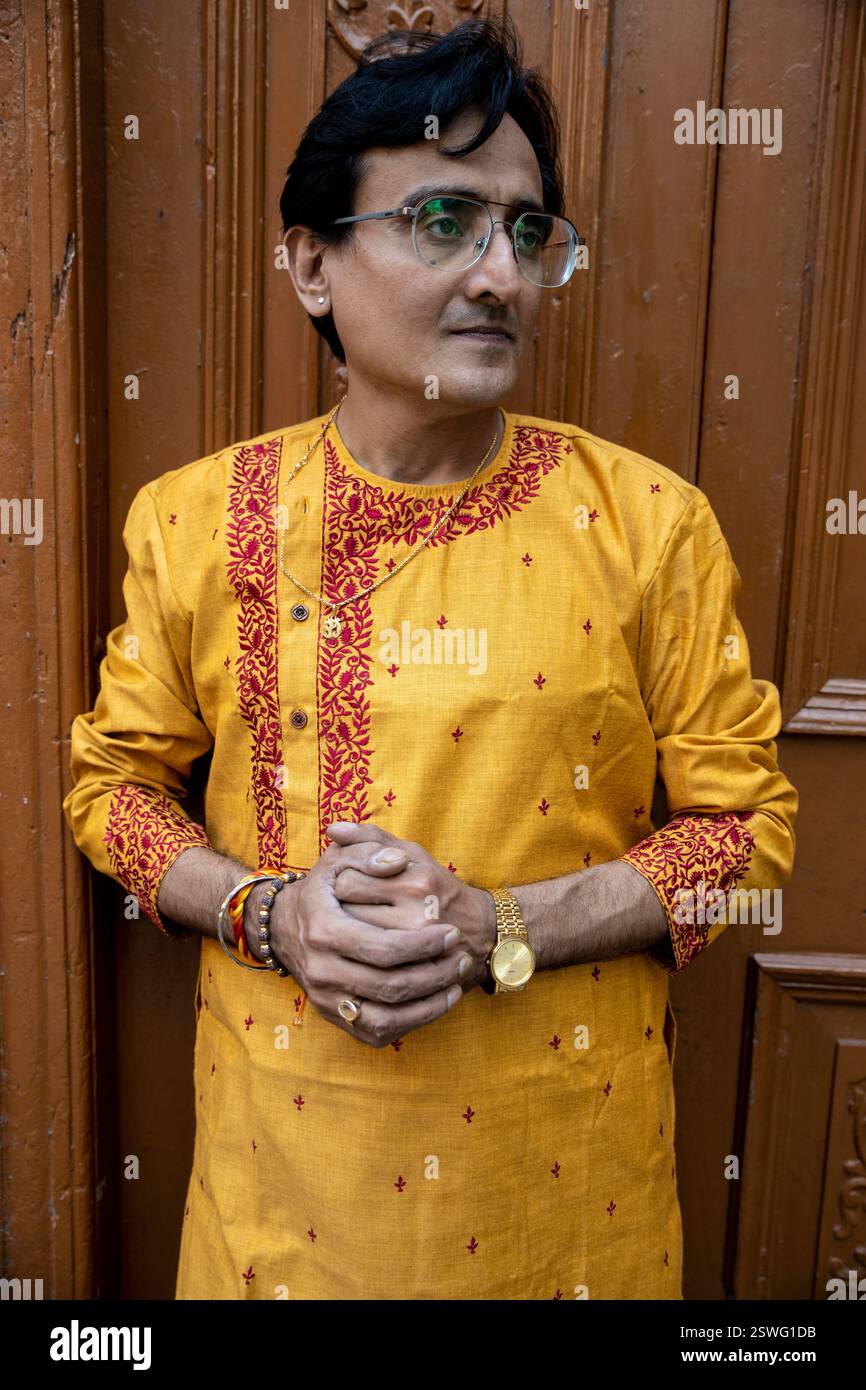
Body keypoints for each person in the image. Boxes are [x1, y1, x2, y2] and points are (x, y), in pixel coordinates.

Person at [63, 16, 798, 1300]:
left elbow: (743, 839)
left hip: (565, 1197)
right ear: (308, 264)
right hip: (281, 1191)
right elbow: (107, 792)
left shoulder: (643, 523)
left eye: (525, 232)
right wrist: (266, 911)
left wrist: (498, 925)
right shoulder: (196, 520)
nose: (498, 275)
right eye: (442, 220)